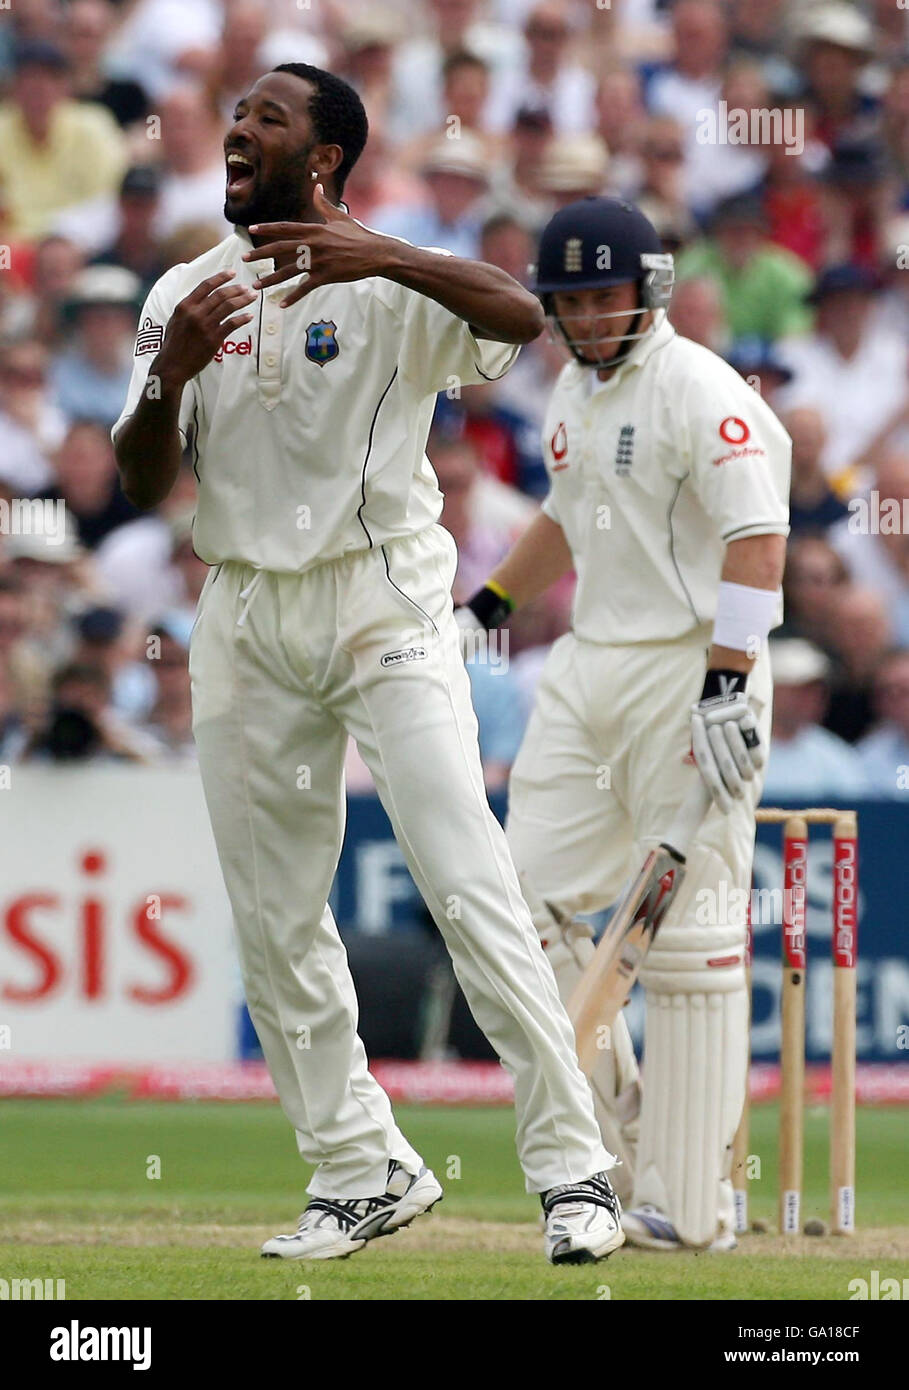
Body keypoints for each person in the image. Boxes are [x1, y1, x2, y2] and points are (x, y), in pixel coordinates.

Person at [112, 62, 622, 1266]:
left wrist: (383, 258)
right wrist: (169, 373)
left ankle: (575, 1169)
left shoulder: (391, 277)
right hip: (241, 609)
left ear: (325, 158)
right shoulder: (186, 291)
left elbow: (516, 311)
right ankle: (359, 1167)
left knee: (465, 874)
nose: (240, 132)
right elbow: (141, 478)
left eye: (268, 121)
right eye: (237, 118)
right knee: (274, 912)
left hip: (383, 596)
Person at [457, 197, 791, 1250]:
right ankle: (623, 1137)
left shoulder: (700, 388)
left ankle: (698, 1203)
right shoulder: (570, 388)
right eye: (571, 302)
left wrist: (729, 680)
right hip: (590, 665)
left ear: (645, 292)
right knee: (517, 904)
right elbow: (566, 513)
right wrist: (488, 611)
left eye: (606, 296)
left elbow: (758, 532)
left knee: (690, 932)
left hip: (694, 663)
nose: (589, 317)